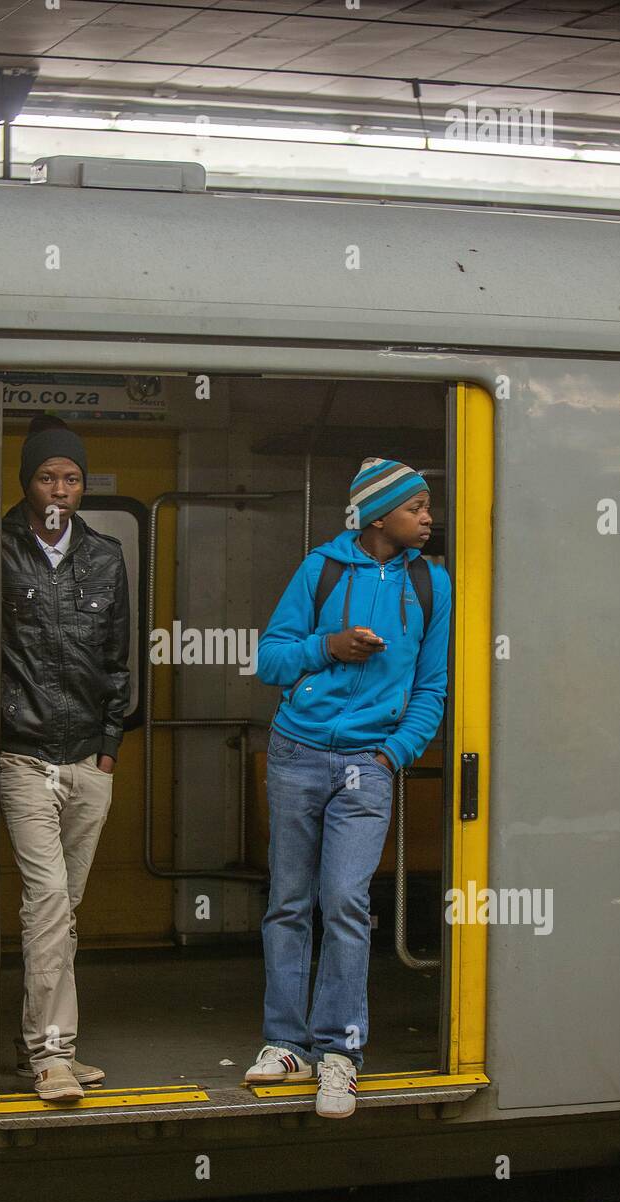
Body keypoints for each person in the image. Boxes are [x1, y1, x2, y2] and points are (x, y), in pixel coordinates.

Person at [246, 456, 452, 1118]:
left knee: (343, 900)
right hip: (296, 752)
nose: (429, 517)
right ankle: (285, 1044)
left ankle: (340, 1053)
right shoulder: (323, 568)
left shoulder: (431, 584)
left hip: (370, 761)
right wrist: (329, 646)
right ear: (378, 514)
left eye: (427, 507)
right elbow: (270, 660)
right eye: (416, 507)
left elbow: (430, 688)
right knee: (289, 901)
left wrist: (395, 754)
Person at [0, 426, 130, 1101]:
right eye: (48, 477)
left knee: (62, 912)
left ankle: (51, 1043)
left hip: (88, 762)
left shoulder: (106, 557)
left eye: (71, 479)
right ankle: (51, 1056)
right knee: (48, 901)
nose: (59, 490)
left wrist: (107, 750)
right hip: (23, 758)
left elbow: (119, 664)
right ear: (27, 482)